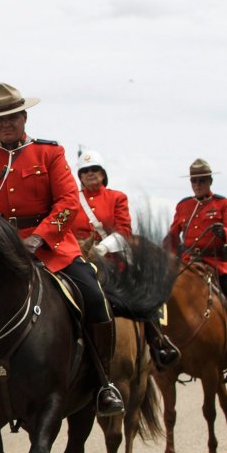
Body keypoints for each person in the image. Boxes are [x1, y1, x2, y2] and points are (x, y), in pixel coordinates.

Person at [0, 83, 125, 417]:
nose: (5, 124)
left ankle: (103, 383)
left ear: (24, 117)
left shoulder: (49, 153)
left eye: (12, 117)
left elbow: (69, 202)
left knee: (94, 296)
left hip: (49, 250)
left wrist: (39, 238)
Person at [74, 149, 179, 369]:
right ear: (80, 176)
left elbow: (124, 231)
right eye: (85, 171)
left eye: (94, 170)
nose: (90, 174)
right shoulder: (72, 200)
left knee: (138, 294)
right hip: (79, 259)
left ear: (103, 174)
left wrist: (101, 249)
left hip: (111, 261)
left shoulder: (116, 197)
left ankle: (157, 341)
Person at [164, 159, 227, 383]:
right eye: (194, 180)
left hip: (218, 264)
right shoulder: (184, 206)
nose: (197, 184)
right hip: (189, 263)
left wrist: (224, 232)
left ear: (210, 181)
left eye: (201, 180)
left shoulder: (224, 204)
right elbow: (174, 236)